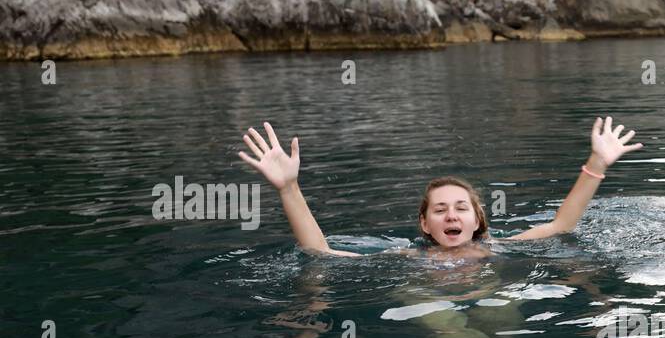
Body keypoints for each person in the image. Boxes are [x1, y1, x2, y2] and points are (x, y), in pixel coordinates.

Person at [237, 117, 643, 258]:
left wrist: (596, 163)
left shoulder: (499, 248)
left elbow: (561, 226)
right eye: (440, 209)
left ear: (478, 220)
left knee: (498, 323)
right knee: (451, 335)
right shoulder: (407, 258)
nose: (451, 215)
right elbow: (320, 252)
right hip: (430, 304)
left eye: (461, 208)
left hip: (493, 297)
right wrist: (288, 188)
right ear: (425, 224)